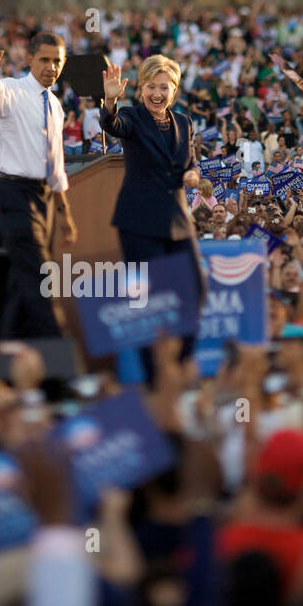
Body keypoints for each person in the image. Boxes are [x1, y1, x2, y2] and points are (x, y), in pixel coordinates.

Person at [101, 55, 204, 378]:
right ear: (141, 87)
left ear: (174, 90)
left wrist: (192, 176)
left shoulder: (184, 122)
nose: (157, 93)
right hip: (139, 224)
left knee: (195, 292)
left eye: (165, 87)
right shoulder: (131, 117)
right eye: (151, 86)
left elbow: (190, 164)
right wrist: (109, 100)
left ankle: (181, 362)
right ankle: (156, 378)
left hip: (177, 220)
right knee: (149, 304)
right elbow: (112, 125)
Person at [0, 30, 78, 339]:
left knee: (23, 281)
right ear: (30, 59)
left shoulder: (56, 106)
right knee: (39, 275)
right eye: (44, 59)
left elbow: (56, 164)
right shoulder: (13, 91)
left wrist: (65, 213)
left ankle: (5, 354)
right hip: (12, 193)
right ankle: (61, 363)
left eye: (57, 61)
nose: (51, 67)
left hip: (43, 198)